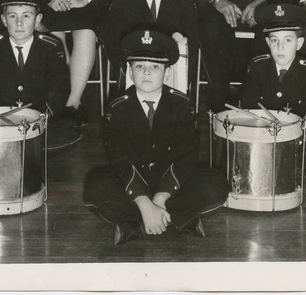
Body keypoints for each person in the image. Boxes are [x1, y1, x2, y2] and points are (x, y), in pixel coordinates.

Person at [83, 29, 229, 244]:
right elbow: (120, 159)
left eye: (155, 67)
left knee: (216, 183)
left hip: (171, 186)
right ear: (130, 72)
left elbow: (185, 155)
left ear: (167, 74)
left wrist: (159, 199)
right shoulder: (117, 108)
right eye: (139, 66)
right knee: (97, 186)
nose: (146, 72)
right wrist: (144, 203)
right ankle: (177, 218)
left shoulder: (181, 104)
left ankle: (135, 222)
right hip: (133, 185)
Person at [0, 0, 81, 150]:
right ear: (3, 20)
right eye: (12, 16)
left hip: (38, 119)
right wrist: (2, 120)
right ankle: (23, 146)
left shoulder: (51, 47)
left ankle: (26, 146)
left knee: (68, 126)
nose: (19, 22)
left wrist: (40, 118)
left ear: (38, 19)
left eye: (27, 16)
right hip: (2, 120)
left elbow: (59, 89)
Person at [241, 3, 306, 178]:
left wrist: (296, 133)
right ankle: (297, 164)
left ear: (299, 43)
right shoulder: (257, 66)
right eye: (274, 40)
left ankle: (288, 162)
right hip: (264, 133)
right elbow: (249, 107)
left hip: (295, 136)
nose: (280, 47)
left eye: (287, 40)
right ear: (267, 42)